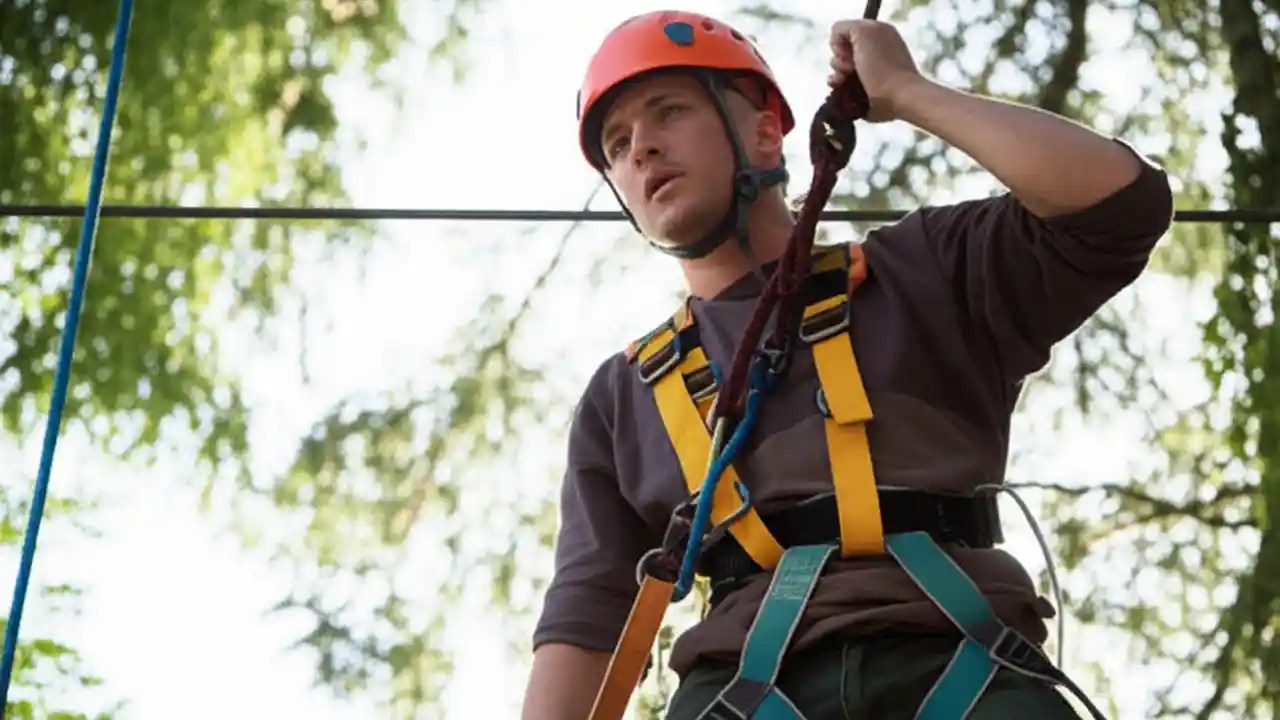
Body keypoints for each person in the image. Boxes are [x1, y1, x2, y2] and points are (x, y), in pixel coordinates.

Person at [522, 9, 1173, 720]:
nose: (640, 149)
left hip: (959, 660)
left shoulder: (923, 274)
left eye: (668, 111)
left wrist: (907, 91)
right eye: (617, 145)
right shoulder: (625, 397)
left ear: (767, 131)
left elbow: (1119, 206)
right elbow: (587, 615)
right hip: (739, 691)